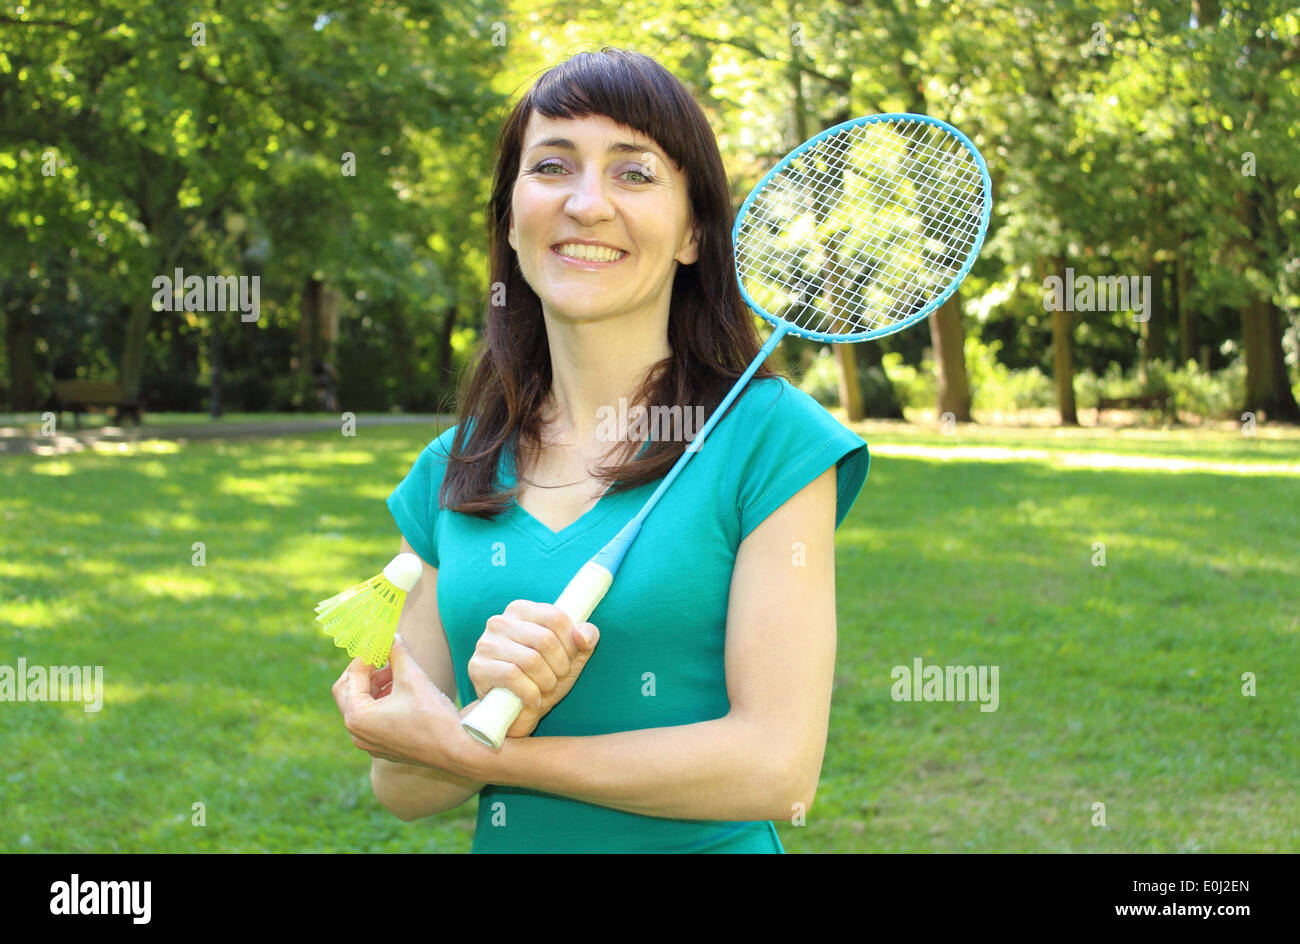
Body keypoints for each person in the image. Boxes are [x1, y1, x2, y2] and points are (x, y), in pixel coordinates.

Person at [331, 47, 869, 853]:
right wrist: (493, 709)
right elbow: (403, 787)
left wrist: (489, 750)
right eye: (552, 166)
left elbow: (775, 769)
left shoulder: (771, 439)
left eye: (634, 173)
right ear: (510, 219)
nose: (587, 204)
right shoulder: (453, 467)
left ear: (693, 232)